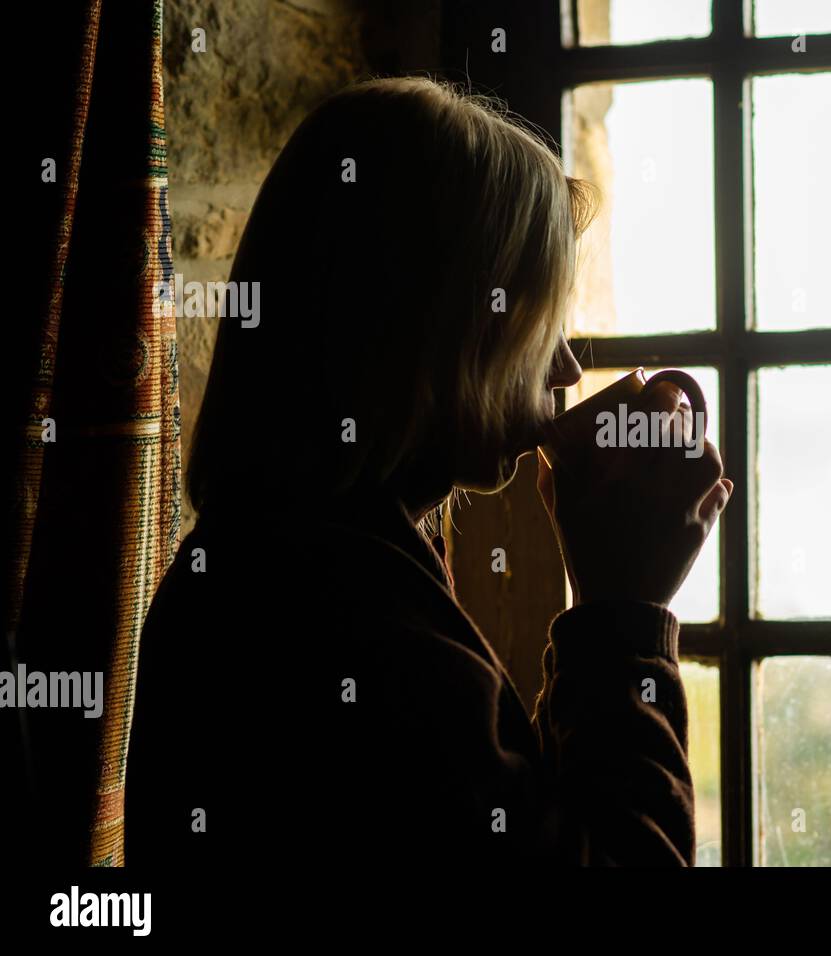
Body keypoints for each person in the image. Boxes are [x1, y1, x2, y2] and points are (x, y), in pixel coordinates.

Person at [125, 77, 731, 870]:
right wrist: (624, 614)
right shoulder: (346, 626)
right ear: (441, 332)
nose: (565, 367)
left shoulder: (299, 567)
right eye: (539, 326)